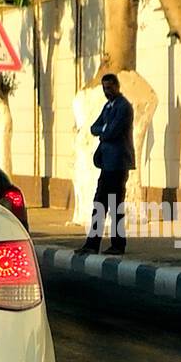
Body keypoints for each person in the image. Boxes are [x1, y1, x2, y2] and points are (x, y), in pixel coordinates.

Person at [77, 72, 135, 255]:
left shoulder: (123, 107)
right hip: (106, 164)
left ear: (117, 87)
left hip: (118, 164)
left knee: (114, 205)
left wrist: (104, 130)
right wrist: (104, 129)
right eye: (104, 88)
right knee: (99, 203)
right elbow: (95, 127)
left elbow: (113, 131)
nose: (106, 91)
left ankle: (118, 245)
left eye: (109, 87)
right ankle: (92, 243)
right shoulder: (108, 107)